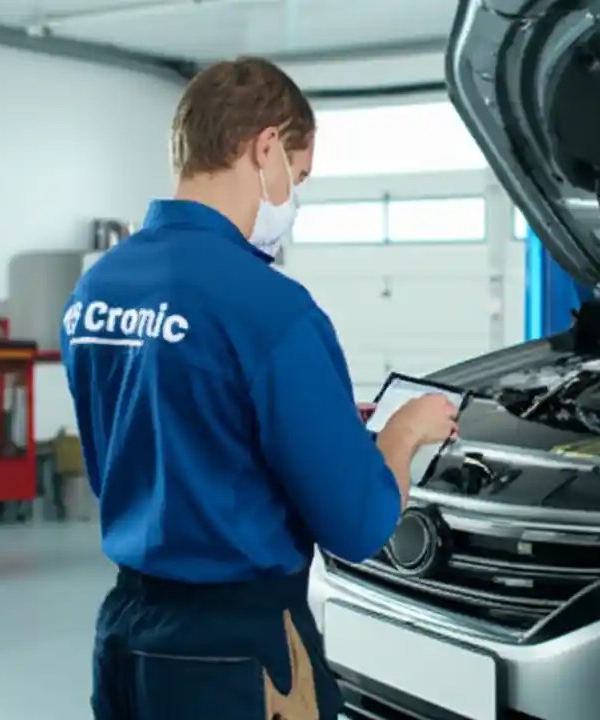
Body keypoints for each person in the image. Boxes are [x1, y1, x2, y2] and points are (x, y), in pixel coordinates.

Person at [60, 57, 459, 720]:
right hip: (237, 651)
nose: (293, 199)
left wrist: (314, 418)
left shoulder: (98, 288)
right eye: (298, 177)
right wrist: (401, 433)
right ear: (266, 147)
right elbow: (359, 524)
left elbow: (158, 426)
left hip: (128, 634)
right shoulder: (272, 308)